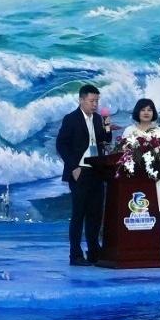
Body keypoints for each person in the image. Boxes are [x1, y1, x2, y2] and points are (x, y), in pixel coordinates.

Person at [56, 83, 112, 265]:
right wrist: (74, 167)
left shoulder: (98, 119)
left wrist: (107, 127)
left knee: (95, 214)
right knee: (79, 214)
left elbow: (105, 140)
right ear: (81, 100)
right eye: (91, 101)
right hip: (80, 171)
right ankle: (75, 255)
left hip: (97, 170)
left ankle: (94, 251)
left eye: (97, 101)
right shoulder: (71, 119)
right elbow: (61, 144)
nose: (95, 104)